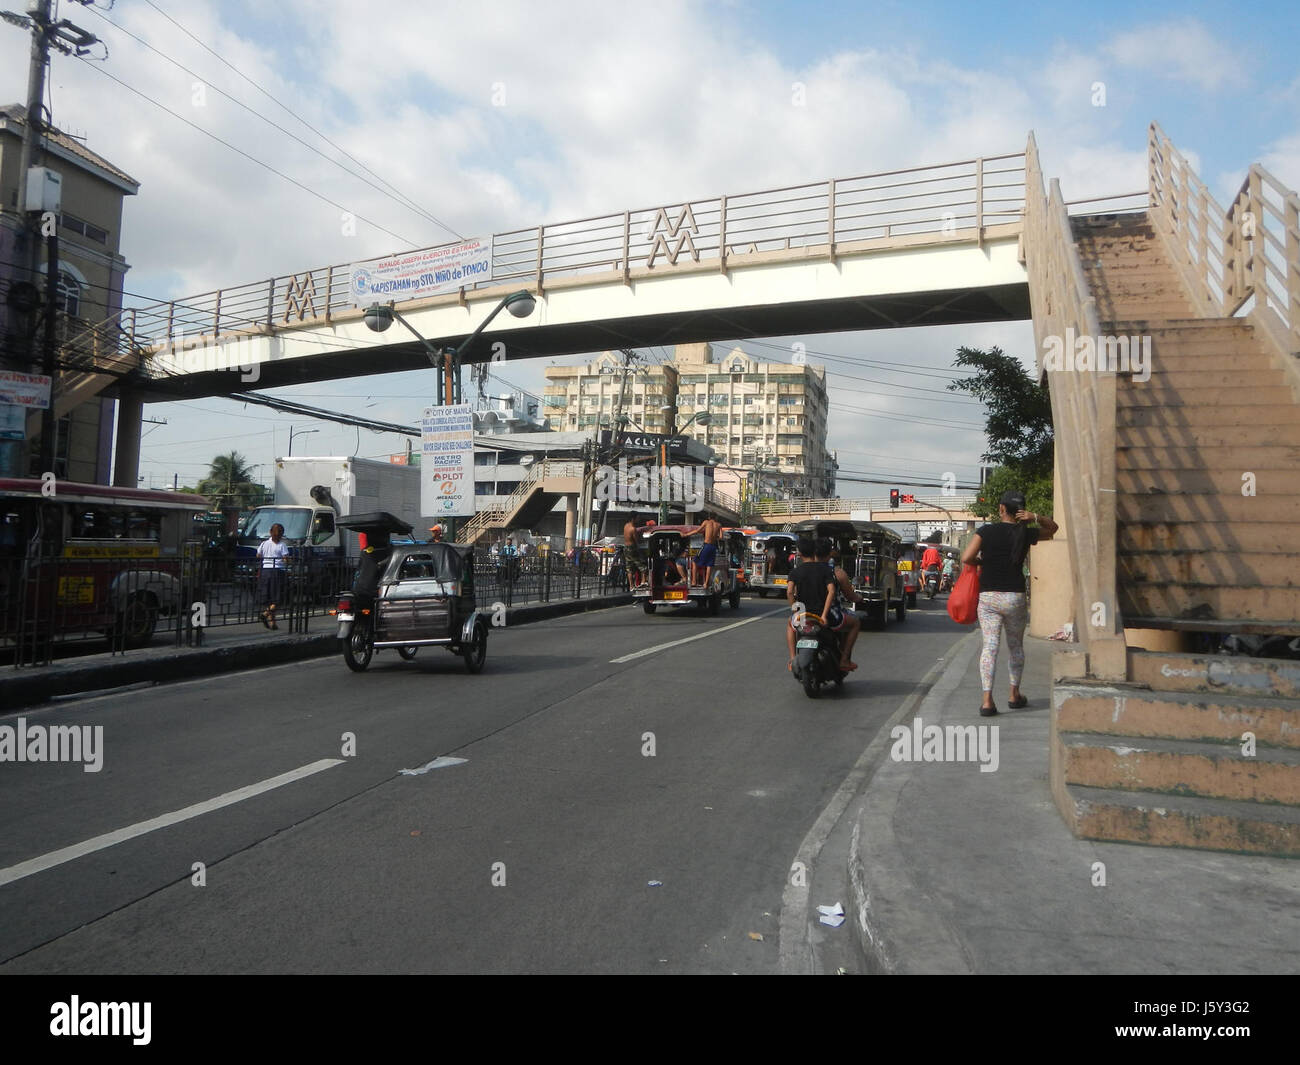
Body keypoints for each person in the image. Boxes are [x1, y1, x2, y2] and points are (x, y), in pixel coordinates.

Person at [960, 490, 1058, 716]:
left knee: (990, 647)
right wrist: (1035, 516)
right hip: (1014, 597)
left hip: (989, 598)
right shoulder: (1025, 533)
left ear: (1001, 509)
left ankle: (987, 701)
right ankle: (1014, 695)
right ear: (1020, 512)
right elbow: (1053, 529)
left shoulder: (986, 531)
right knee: (1015, 647)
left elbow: (966, 558)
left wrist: (981, 561)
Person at [786, 536, 836, 672]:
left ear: (799, 553)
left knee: (791, 626)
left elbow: (790, 592)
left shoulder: (796, 572)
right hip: (821, 615)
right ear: (814, 552)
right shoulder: (825, 570)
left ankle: (792, 659)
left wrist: (796, 612)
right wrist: (825, 615)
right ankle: (843, 659)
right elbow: (831, 591)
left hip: (804, 615)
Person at [817, 539, 862, 672]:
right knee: (856, 622)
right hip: (830, 614)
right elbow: (850, 596)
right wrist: (859, 598)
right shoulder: (837, 573)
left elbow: (791, 592)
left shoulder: (804, 570)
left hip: (806, 612)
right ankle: (844, 660)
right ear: (830, 553)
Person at [256, 522, 291, 630]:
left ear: (270, 532)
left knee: (270, 598)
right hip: (277, 572)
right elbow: (286, 560)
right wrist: (289, 561)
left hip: (265, 571)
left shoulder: (264, 543)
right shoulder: (282, 545)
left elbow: (258, 555)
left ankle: (273, 623)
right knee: (278, 598)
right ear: (281, 534)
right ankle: (265, 614)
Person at [682, 516, 722, 588]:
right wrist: (715, 537)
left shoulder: (706, 522)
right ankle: (706, 584)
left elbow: (697, 531)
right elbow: (721, 537)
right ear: (716, 518)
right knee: (709, 565)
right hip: (713, 547)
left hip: (706, 545)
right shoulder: (719, 525)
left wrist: (686, 535)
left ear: (709, 517)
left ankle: (694, 581)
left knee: (695, 561)